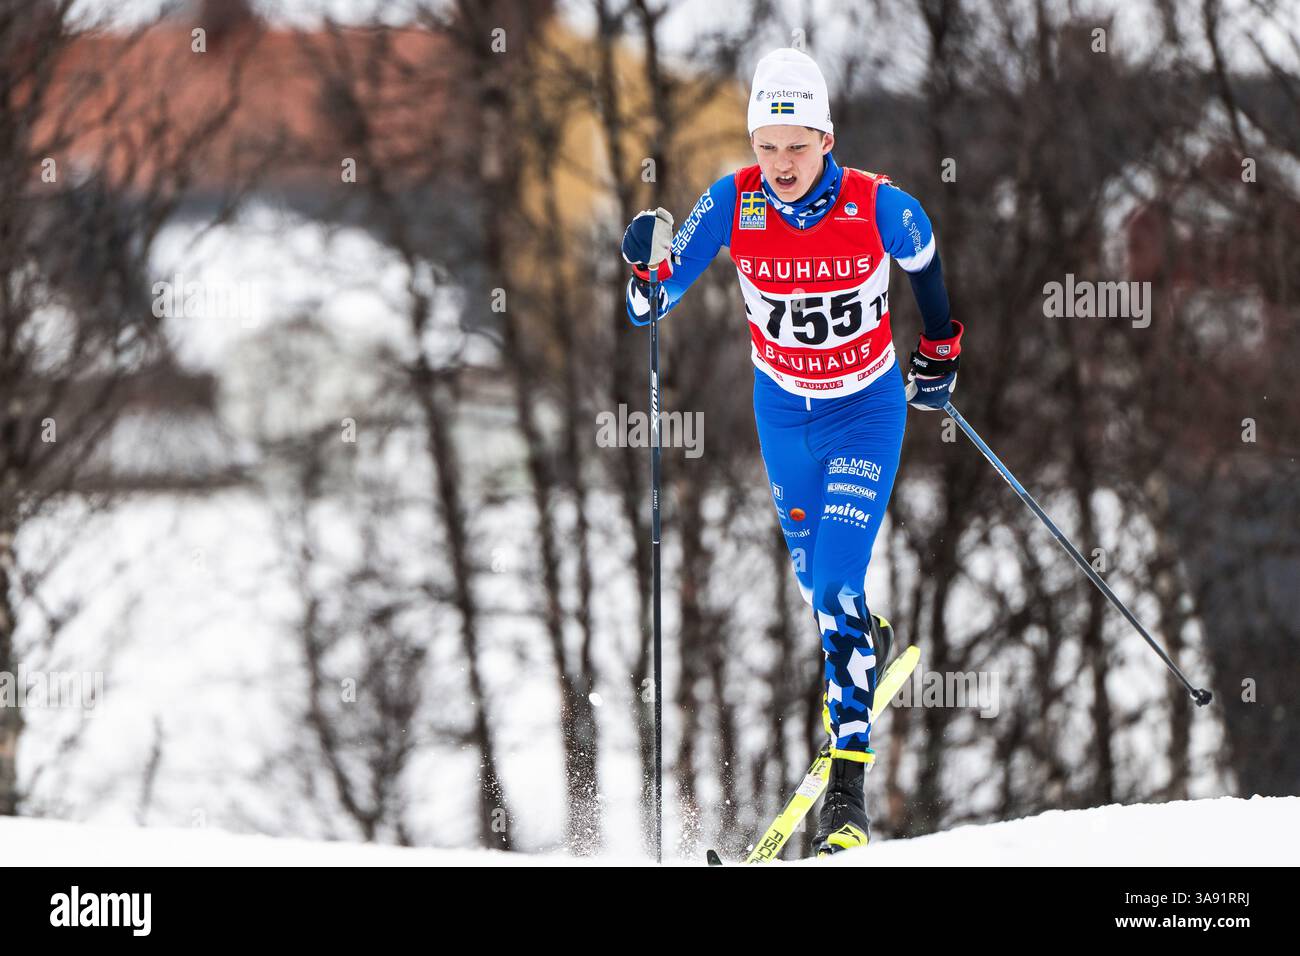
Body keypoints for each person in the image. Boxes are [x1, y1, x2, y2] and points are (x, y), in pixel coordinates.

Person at [620, 48, 963, 855]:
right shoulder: (731, 203)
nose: (780, 165)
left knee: (838, 579)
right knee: (818, 588)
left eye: (797, 146)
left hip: (864, 415)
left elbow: (926, 262)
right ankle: (862, 640)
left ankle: (847, 790)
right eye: (767, 146)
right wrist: (640, 269)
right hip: (783, 418)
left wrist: (941, 350)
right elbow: (652, 303)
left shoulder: (878, 205)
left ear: (827, 138)